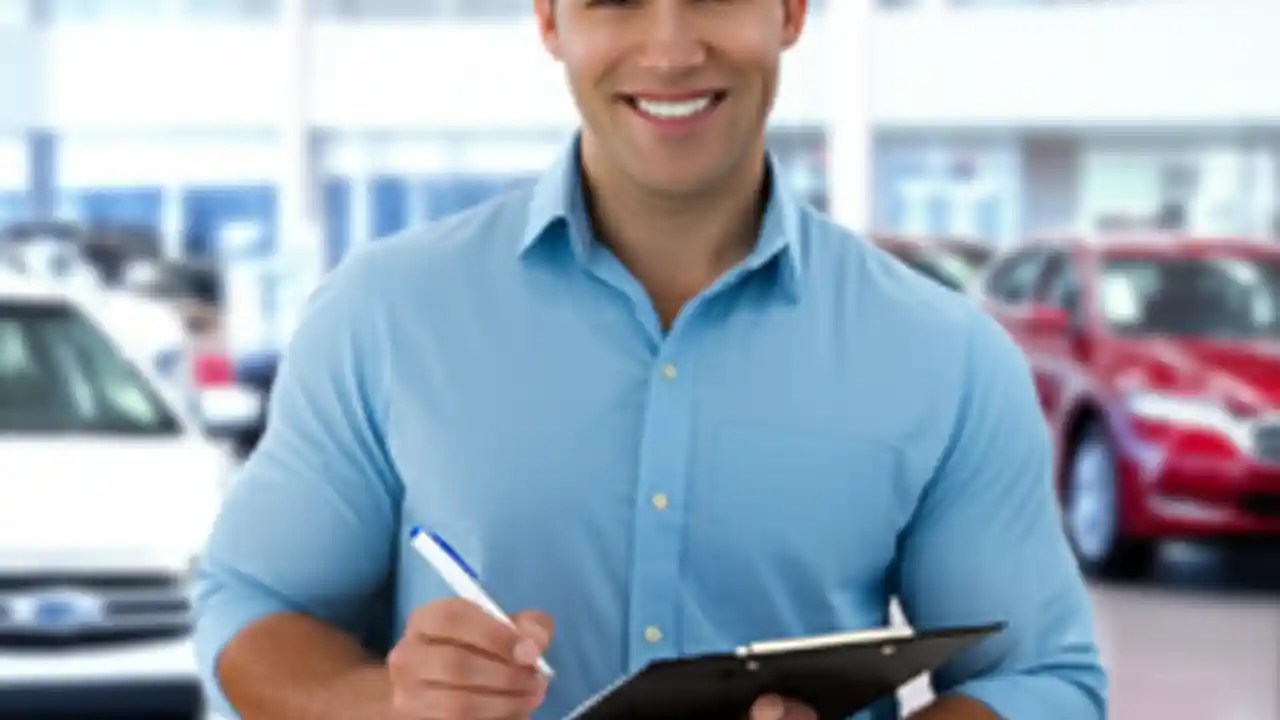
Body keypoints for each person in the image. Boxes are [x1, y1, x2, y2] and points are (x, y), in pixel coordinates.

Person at [193, 1, 1107, 718]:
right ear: (550, 19)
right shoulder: (385, 314)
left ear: (789, 10)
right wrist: (381, 705)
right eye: (617, 0)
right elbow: (251, 604)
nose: (670, 50)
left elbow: (1041, 677)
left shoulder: (946, 356)